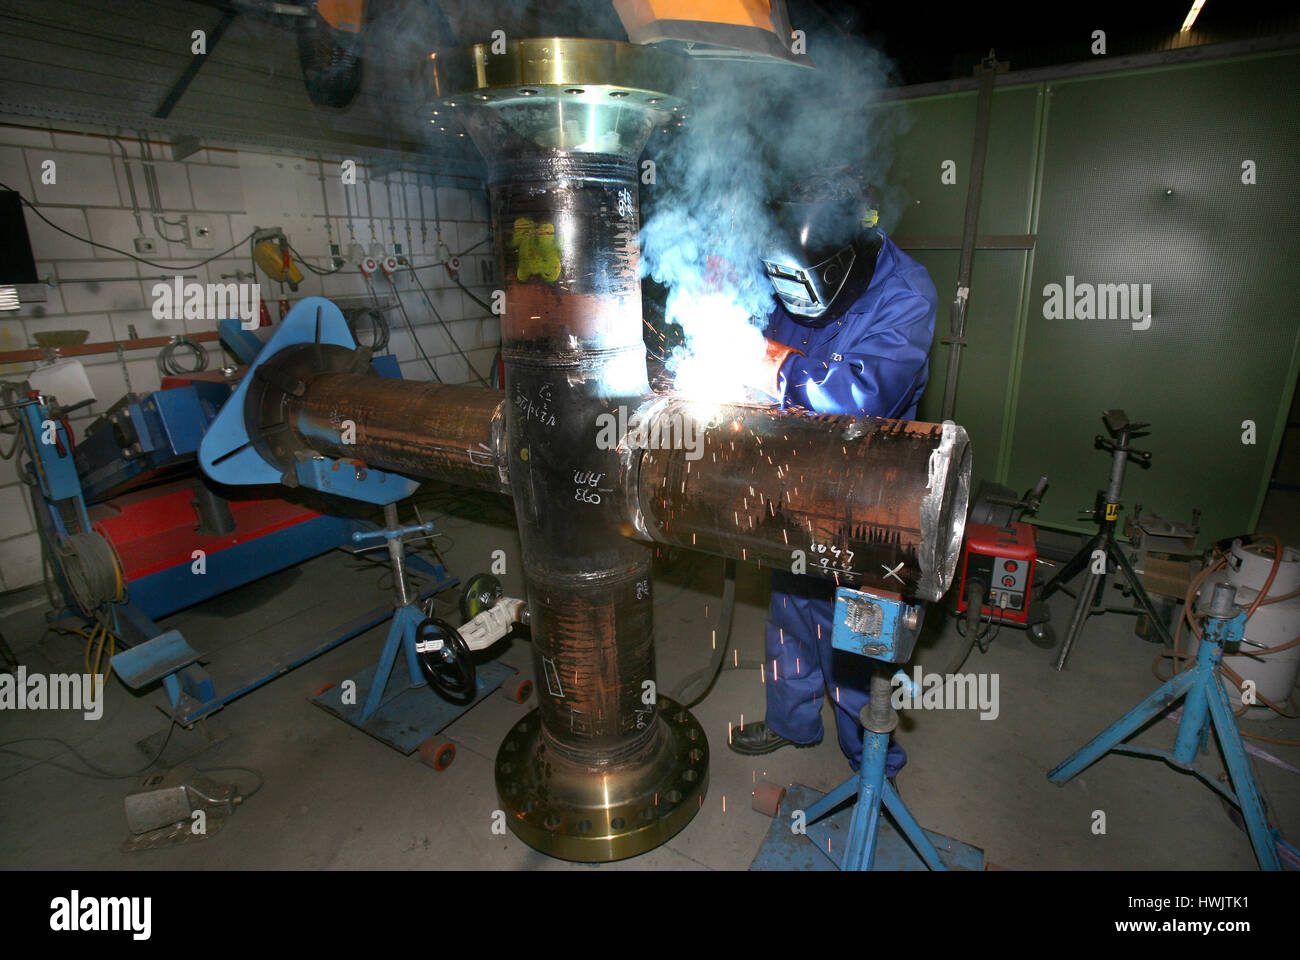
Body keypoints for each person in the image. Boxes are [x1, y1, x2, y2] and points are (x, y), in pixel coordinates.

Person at [728, 170, 938, 781]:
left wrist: (770, 369)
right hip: (795, 479)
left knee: (860, 638)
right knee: (792, 609)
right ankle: (791, 721)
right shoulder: (788, 256)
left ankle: (870, 760)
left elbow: (859, 394)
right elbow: (760, 335)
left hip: (871, 493)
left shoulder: (906, 293)